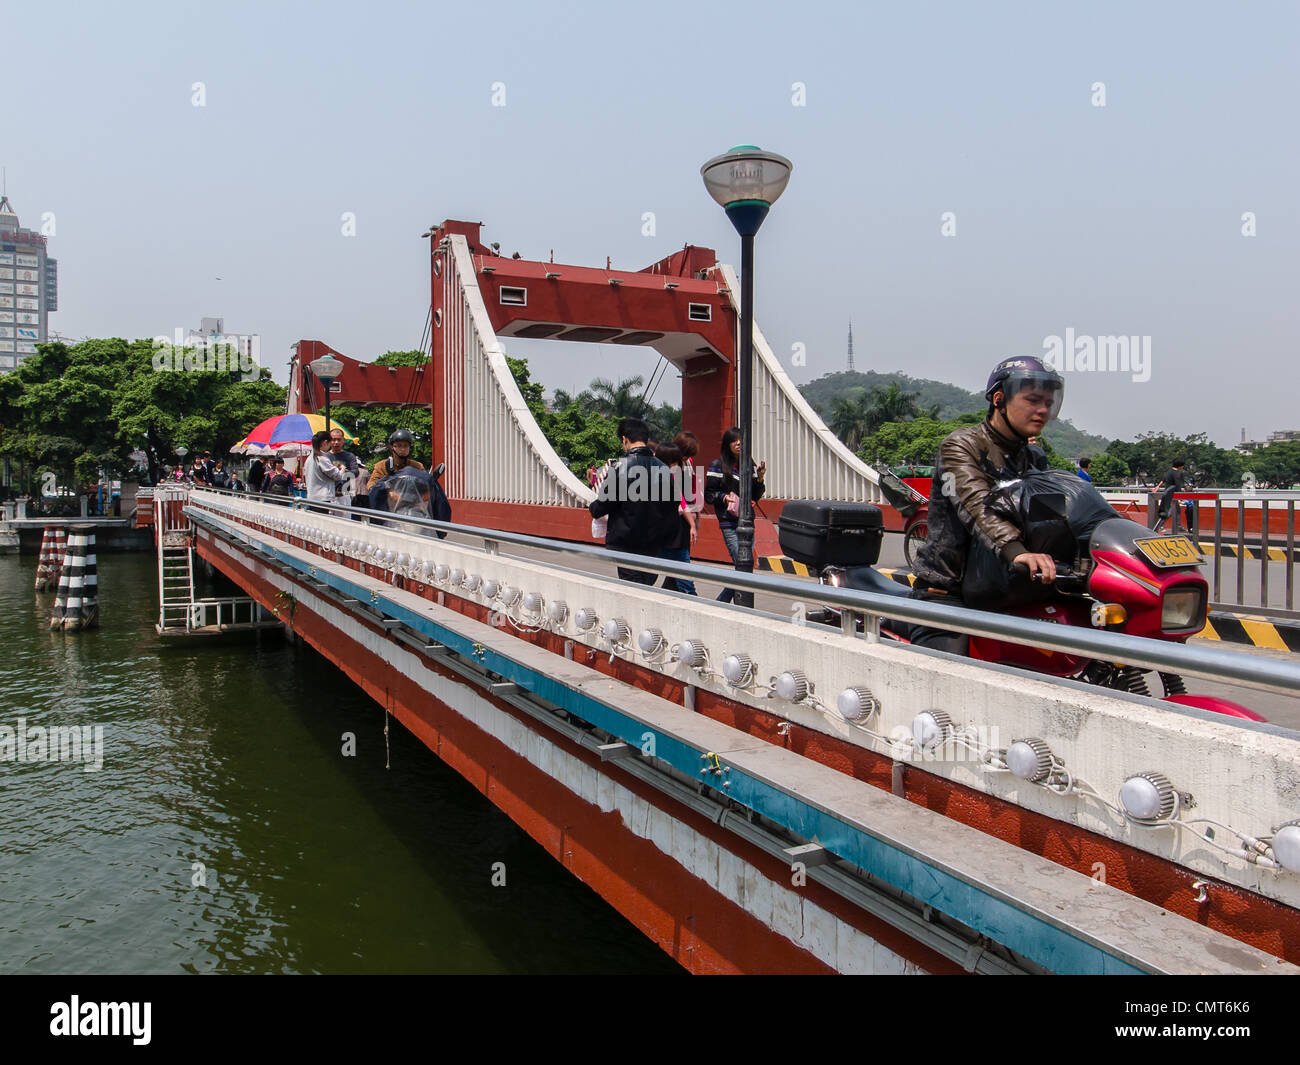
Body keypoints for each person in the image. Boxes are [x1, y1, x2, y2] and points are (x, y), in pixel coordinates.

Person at [909, 356, 1062, 654]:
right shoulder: (961, 446)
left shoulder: (1032, 457)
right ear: (999, 399)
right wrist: (1016, 552)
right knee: (951, 685)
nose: (1042, 410)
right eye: (1032, 400)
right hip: (949, 592)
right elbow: (976, 505)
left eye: (1048, 402)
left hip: (1006, 588)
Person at [588, 417, 679, 584]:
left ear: (624, 439)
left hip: (626, 542)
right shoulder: (663, 468)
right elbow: (673, 504)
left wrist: (593, 507)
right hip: (654, 543)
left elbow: (603, 505)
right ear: (646, 439)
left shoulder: (620, 468)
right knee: (646, 587)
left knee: (633, 589)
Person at [704, 427, 766, 603]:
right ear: (727, 444)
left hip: (747, 521)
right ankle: (722, 602)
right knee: (742, 564)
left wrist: (760, 479)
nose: (738, 443)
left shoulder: (749, 465)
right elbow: (709, 494)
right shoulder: (718, 465)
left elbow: (755, 495)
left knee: (745, 566)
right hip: (729, 522)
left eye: (741, 440)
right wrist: (724, 497)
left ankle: (726, 603)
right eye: (734, 440)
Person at [654, 442, 697, 595]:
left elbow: (682, 502)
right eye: (674, 462)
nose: (677, 466)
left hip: (676, 534)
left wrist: (692, 526)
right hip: (663, 535)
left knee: (683, 579)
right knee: (682, 578)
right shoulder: (654, 479)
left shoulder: (672, 478)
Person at [304, 429, 349, 505]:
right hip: (322, 497)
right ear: (325, 442)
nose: (330, 446)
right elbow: (337, 476)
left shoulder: (310, 458)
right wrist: (342, 469)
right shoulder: (322, 459)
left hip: (312, 496)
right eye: (330, 443)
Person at [327, 427, 367, 502]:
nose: (336, 442)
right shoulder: (325, 457)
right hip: (328, 494)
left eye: (339, 439)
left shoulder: (349, 456)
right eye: (333, 439)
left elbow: (356, 472)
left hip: (344, 494)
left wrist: (345, 472)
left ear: (343, 440)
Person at [1152, 458, 1188, 533]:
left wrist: (1158, 487)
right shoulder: (1177, 473)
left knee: (1175, 510)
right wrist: (1180, 496)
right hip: (1172, 495)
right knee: (1171, 511)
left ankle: (1177, 526)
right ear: (1180, 466)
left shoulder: (1168, 472)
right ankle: (1160, 525)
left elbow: (1163, 480)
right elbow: (1178, 485)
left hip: (1167, 493)